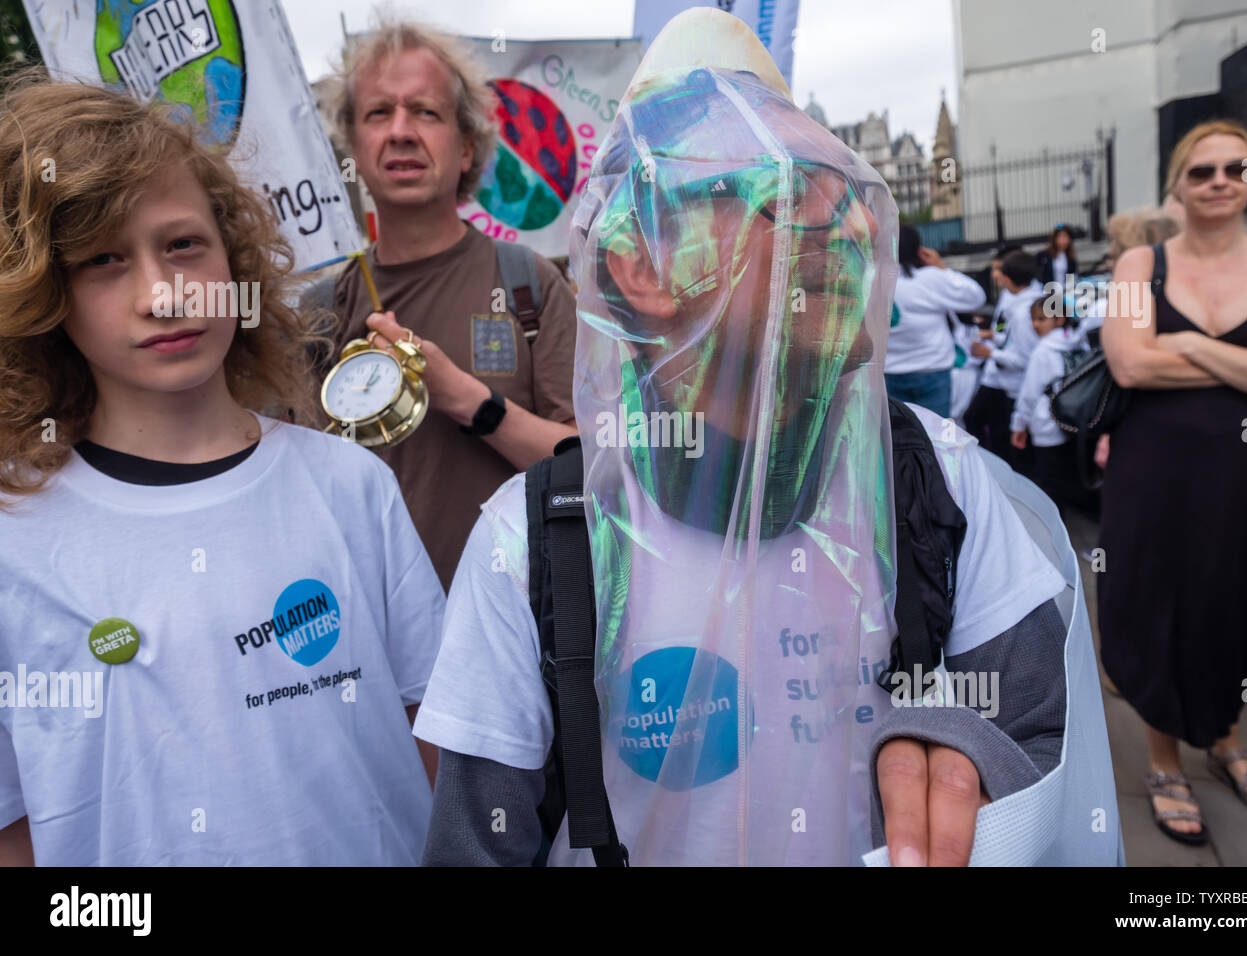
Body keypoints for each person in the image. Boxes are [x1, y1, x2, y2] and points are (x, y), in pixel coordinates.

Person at [411, 9, 1119, 867]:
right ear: (642, 264)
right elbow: (479, 844)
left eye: (843, 194)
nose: (846, 230)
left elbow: (1046, 730)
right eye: (778, 195)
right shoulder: (533, 545)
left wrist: (971, 755)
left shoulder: (942, 479)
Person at [0, 78, 446, 865]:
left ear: (236, 262)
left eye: (182, 245)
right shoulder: (15, 539)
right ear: (46, 295)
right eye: (103, 260)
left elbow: (439, 745)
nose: (162, 295)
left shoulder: (350, 487)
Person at [321, 20, 578, 590]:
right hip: (369, 651)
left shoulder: (528, 284)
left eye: (426, 112)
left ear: (466, 148)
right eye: (378, 113)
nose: (402, 131)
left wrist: (467, 400)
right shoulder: (319, 309)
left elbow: (589, 470)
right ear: (354, 149)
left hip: (517, 640)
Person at [1101, 119, 1247, 844]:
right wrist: (1245, 358)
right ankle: (1164, 762)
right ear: (1177, 184)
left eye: (1234, 169)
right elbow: (1129, 364)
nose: (1218, 181)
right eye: (1202, 170)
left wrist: (1178, 343)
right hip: (1155, 470)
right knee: (1158, 605)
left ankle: (1226, 744)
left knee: (1241, 603)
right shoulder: (1134, 270)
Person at [884, 225, 986, 417]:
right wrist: (941, 267)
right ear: (918, 249)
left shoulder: (873, 279)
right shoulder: (931, 279)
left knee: (900, 437)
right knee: (936, 438)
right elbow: (976, 296)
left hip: (890, 372)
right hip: (932, 370)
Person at [1010, 295, 1091, 511]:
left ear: (1060, 319)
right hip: (1078, 418)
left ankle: (1053, 525)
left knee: (1048, 481)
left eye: (1042, 319)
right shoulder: (1080, 345)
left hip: (1047, 421)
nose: (1036, 325)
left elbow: (1030, 393)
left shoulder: (1043, 351)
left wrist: (1019, 424)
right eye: (1033, 319)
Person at [965, 251, 1040, 470]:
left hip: (1015, 386)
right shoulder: (1029, 300)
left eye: (999, 271)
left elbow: (1025, 358)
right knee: (998, 431)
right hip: (1008, 383)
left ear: (1007, 279)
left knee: (1015, 447)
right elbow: (1012, 339)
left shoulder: (1024, 312)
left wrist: (991, 353)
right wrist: (994, 337)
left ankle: (999, 473)